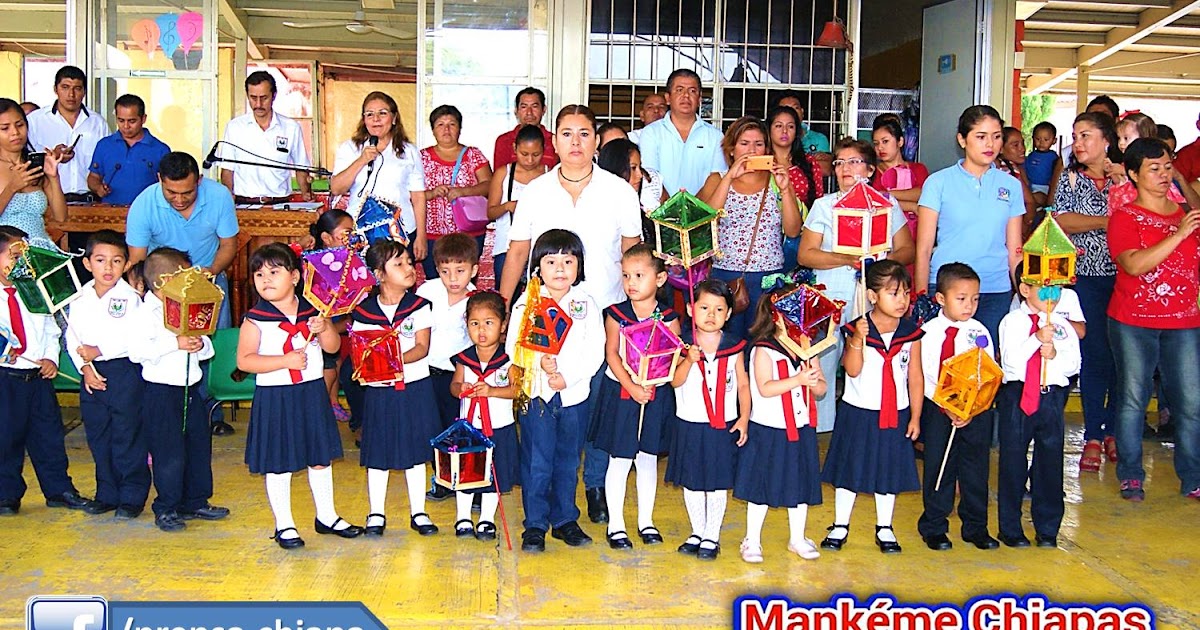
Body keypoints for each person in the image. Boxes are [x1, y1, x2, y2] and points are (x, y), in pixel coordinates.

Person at [237, 243, 360, 547]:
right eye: (259, 274)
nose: (265, 279)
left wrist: (324, 327)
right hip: (275, 397)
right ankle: (285, 524)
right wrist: (284, 361)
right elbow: (244, 361)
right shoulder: (254, 319)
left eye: (274, 272)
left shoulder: (313, 311)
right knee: (278, 461)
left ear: (294, 276)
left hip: (311, 393)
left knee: (319, 457)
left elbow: (332, 349)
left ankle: (327, 516)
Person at [797, 138, 914, 433]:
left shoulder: (886, 204)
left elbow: (907, 249)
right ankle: (822, 432)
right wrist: (846, 258)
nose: (844, 168)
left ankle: (864, 429)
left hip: (875, 297)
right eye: (839, 163)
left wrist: (880, 266)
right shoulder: (824, 205)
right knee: (824, 359)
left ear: (871, 169)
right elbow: (805, 254)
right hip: (832, 296)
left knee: (871, 359)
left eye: (853, 161)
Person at [1106, 137, 1200, 502]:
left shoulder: (1186, 213)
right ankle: (1130, 474)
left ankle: (1192, 475)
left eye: (1167, 166)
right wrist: (1178, 235)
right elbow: (1133, 263)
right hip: (1134, 320)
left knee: (1190, 401)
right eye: (1154, 169)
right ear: (1133, 174)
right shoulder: (1125, 217)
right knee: (1133, 397)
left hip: (1184, 321)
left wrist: (1184, 202)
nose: (1163, 175)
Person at [506, 229, 605, 552]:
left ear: (579, 266)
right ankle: (535, 524)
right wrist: (539, 369)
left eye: (568, 260)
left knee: (567, 460)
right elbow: (514, 350)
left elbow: (595, 351)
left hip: (573, 395)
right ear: (537, 267)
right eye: (551, 261)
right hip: (537, 397)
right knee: (537, 461)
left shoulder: (586, 304)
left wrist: (568, 377)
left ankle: (564, 519)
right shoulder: (527, 304)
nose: (560, 269)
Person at [820, 260, 923, 554]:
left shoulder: (911, 332)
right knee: (850, 469)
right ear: (873, 296)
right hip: (859, 411)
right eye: (893, 293)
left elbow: (914, 376)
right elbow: (851, 371)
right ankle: (840, 524)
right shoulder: (856, 328)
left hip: (897, 411)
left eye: (905, 293)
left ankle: (885, 526)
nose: (901, 300)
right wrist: (857, 339)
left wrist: (915, 416)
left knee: (888, 470)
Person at [498, 105, 642, 312]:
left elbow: (632, 254)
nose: (575, 142)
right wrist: (502, 307)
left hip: (607, 307)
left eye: (584, 134)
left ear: (597, 142)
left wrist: (637, 309)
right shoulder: (535, 192)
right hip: (547, 310)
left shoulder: (621, 191)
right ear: (555, 142)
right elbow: (518, 252)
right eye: (567, 134)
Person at [128, 247, 229, 532]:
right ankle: (167, 506)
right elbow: (137, 352)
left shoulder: (186, 307)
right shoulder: (144, 313)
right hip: (161, 392)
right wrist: (176, 344)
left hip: (190, 388)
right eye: (185, 275)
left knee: (198, 445)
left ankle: (195, 499)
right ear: (164, 280)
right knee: (168, 450)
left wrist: (199, 344)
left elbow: (206, 346)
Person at [590, 244, 680, 550]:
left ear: (661, 278)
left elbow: (672, 356)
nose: (631, 282)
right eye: (626, 275)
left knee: (647, 459)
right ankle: (615, 524)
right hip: (622, 393)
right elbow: (611, 354)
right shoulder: (616, 314)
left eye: (639, 275)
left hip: (654, 394)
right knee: (619, 458)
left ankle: (646, 521)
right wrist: (630, 386)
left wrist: (654, 382)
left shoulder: (668, 316)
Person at [350, 240, 441, 536]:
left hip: (414, 388)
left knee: (415, 450)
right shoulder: (363, 313)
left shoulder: (419, 306)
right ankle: (376, 512)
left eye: (408, 262)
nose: (408, 269)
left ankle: (419, 512)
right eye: (398, 264)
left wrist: (390, 360)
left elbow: (422, 347)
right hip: (379, 391)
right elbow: (362, 352)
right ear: (379, 274)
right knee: (379, 451)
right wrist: (379, 366)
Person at [0, 225, 92, 516]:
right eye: (15, 256)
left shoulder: (33, 291)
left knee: (49, 436)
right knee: (6, 438)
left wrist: (51, 358)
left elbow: (50, 328)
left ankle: (59, 489)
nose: (22, 264)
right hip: (5, 379)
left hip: (37, 378)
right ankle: (6, 495)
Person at [915, 105, 1024, 345]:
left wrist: (1025, 297)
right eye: (981, 136)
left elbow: (1015, 250)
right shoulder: (937, 183)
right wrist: (922, 299)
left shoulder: (1011, 186)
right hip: (947, 289)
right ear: (962, 140)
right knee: (942, 366)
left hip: (995, 290)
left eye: (997, 137)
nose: (990, 145)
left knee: (985, 369)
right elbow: (923, 249)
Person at [734, 282, 826, 564]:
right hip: (769, 429)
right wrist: (798, 380)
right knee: (760, 486)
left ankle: (797, 537)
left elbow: (821, 388)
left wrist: (814, 382)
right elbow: (765, 387)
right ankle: (752, 539)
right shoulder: (763, 349)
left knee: (799, 483)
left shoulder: (808, 349)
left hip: (800, 427)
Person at [1051, 112, 1122, 471]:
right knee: (1094, 354)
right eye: (1075, 136)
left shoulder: (1127, 178)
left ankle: (1115, 432)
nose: (1077, 143)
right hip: (1086, 279)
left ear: (1107, 141)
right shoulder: (1070, 179)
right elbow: (1063, 221)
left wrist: (1121, 182)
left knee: (1122, 359)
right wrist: (1109, 223)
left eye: (1086, 136)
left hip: (1127, 278)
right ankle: (1094, 434)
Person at [65, 230, 149, 518]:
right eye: (101, 260)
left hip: (123, 371)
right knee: (99, 435)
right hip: (91, 374)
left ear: (126, 265)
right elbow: (72, 338)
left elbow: (134, 338)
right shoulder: (79, 297)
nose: (108, 268)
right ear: (88, 263)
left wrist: (98, 351)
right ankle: (107, 493)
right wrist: (86, 368)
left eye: (116, 261)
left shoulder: (129, 298)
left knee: (127, 434)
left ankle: (131, 496)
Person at [996, 264, 1081, 548]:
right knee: (1013, 461)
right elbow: (1010, 362)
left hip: (1051, 396)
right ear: (1024, 290)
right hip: (1018, 396)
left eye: (1056, 290)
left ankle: (1048, 529)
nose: (1051, 297)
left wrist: (1054, 353)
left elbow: (1073, 365)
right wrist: (1036, 340)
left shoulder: (1063, 325)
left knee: (1050, 462)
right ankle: (1010, 528)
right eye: (1044, 290)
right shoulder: (1013, 322)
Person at [665, 279, 749, 560]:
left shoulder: (734, 346)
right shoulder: (681, 345)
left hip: (722, 424)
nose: (710, 315)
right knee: (692, 481)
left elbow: (743, 385)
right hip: (689, 422)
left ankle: (712, 534)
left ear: (728, 314)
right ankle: (697, 531)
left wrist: (745, 417)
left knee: (716, 482)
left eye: (718, 309)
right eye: (704, 307)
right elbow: (674, 382)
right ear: (691, 309)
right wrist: (688, 360)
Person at [698, 116, 802, 339]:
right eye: (744, 143)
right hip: (725, 274)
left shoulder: (777, 181)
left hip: (768, 277)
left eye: (758, 144)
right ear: (732, 148)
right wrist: (730, 178)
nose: (752, 150)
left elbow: (793, 231)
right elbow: (705, 222)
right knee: (725, 343)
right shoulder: (717, 179)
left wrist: (785, 190)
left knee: (764, 343)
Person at [917, 263, 996, 551]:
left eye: (975, 298)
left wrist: (971, 407)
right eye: (961, 299)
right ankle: (934, 526)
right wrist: (946, 405)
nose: (969, 305)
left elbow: (988, 370)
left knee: (975, 469)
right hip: (939, 411)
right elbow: (922, 375)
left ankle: (976, 527)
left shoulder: (979, 331)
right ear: (941, 298)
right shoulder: (928, 332)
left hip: (974, 413)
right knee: (940, 467)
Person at [126, 152, 239, 330]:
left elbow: (229, 244)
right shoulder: (142, 204)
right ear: (159, 179)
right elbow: (137, 260)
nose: (179, 200)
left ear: (199, 180)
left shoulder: (219, 196)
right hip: (162, 284)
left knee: (218, 343)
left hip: (209, 276)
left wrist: (212, 270)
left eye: (187, 192)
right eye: (171, 192)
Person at [449, 291, 521, 541]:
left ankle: (487, 519)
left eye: (489, 323)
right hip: (469, 429)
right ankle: (463, 517)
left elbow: (516, 390)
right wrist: (463, 390)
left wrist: (491, 391)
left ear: (502, 325)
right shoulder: (464, 359)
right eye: (474, 323)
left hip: (499, 427)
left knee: (494, 475)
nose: (481, 330)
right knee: (466, 474)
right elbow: (454, 386)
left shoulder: (509, 359)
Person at [416, 233, 478, 501]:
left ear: (474, 270)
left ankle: (469, 483)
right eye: (445, 271)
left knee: (462, 428)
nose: (453, 279)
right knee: (433, 430)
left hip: (458, 378)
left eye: (460, 271)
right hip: (426, 373)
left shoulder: (477, 300)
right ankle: (442, 479)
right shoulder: (426, 291)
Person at [331, 92, 427, 261]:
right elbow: (337, 187)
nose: (376, 119)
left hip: (401, 230)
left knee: (399, 281)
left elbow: (418, 196)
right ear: (364, 120)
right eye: (369, 114)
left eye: (382, 113)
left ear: (394, 118)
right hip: (359, 231)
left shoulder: (409, 151)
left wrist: (421, 235)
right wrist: (361, 160)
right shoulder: (350, 148)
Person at [218, 71, 313, 204]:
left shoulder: (291, 128)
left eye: (264, 98)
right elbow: (227, 169)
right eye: (253, 98)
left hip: (280, 204)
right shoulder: (234, 127)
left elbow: (301, 167)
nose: (258, 104)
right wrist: (228, 199)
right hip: (243, 204)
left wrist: (306, 195)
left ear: (274, 96)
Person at [420, 104, 493, 278]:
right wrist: (432, 193)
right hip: (432, 235)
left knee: (465, 282)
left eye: (452, 124)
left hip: (469, 233)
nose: (446, 129)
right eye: (440, 124)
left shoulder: (473, 155)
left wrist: (464, 192)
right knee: (435, 282)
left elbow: (490, 185)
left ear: (459, 128)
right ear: (433, 130)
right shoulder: (421, 157)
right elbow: (410, 193)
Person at [25, 65, 109, 202]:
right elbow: (24, 160)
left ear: (84, 92)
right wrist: (51, 157)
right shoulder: (35, 121)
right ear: (55, 89)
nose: (71, 94)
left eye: (77, 88)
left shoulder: (98, 123)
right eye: (65, 87)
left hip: (89, 202)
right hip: (48, 201)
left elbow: (106, 163)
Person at [639, 69, 727, 194]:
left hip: (703, 211)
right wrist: (670, 211)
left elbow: (717, 180)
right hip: (661, 211)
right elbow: (650, 178)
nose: (686, 96)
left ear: (699, 99)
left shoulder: (716, 136)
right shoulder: (651, 133)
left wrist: (693, 210)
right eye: (679, 90)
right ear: (668, 98)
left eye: (692, 91)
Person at [307, 210, 357, 423]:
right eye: (345, 234)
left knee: (336, 363)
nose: (351, 238)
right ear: (326, 238)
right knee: (328, 365)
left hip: (341, 321)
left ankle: (333, 401)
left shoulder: (353, 261)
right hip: (319, 324)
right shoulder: (312, 263)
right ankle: (321, 408)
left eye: (352, 233)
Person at [486, 125, 547, 293]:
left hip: (539, 247)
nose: (529, 160)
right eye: (524, 154)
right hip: (505, 246)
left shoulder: (550, 174)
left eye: (536, 155)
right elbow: (490, 213)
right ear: (514, 148)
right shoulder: (503, 174)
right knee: (505, 296)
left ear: (544, 150)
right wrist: (507, 206)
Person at [0, 98, 67, 242]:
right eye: (5, 128)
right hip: (7, 254)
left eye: (20, 125)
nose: (15, 133)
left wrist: (54, 177)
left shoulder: (34, 163)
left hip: (39, 248)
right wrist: (12, 187)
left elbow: (60, 216)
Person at [86, 94, 171, 206]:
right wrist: (98, 188)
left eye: (132, 121)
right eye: (121, 120)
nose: (126, 126)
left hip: (148, 213)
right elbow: (93, 177)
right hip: (110, 214)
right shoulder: (104, 145)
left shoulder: (161, 150)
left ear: (143, 119)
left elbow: (170, 186)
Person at [597, 139, 666, 243]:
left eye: (640, 167)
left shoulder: (643, 210)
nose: (639, 175)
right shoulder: (600, 212)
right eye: (633, 168)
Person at [767, 106, 822, 213]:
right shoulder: (761, 161)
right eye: (778, 126)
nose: (784, 131)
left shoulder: (809, 162)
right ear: (769, 129)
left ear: (797, 131)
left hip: (803, 224)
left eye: (790, 126)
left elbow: (818, 201)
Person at [493, 87, 557, 169]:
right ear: (516, 111)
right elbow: (500, 178)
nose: (529, 113)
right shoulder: (504, 141)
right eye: (524, 107)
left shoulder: (554, 141)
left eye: (534, 106)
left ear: (544, 110)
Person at [773, 90, 832, 176]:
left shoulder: (819, 138)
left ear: (802, 112)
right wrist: (811, 162)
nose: (791, 113)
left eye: (795, 108)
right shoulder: (770, 137)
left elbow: (825, 169)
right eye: (785, 109)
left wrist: (784, 163)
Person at [997, 127, 1039, 233]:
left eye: (1022, 143)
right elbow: (1030, 202)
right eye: (1015, 145)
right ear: (1000, 148)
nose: (1022, 149)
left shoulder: (1016, 168)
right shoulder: (1004, 169)